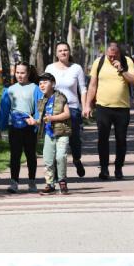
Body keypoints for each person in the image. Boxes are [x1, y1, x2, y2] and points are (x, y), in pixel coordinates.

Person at [83, 41, 134, 180]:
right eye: (109, 56)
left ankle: (118, 168)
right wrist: (87, 105)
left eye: (114, 56)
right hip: (103, 107)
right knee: (103, 139)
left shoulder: (127, 61)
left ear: (119, 53)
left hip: (122, 107)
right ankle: (104, 168)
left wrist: (122, 70)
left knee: (121, 140)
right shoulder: (99, 62)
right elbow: (92, 85)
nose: (112, 58)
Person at [0, 62, 42, 193]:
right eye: (17, 72)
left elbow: (39, 107)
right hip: (14, 127)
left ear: (28, 73)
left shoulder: (35, 88)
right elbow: (4, 110)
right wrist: (0, 126)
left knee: (30, 155)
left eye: (23, 73)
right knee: (15, 155)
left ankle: (32, 182)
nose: (19, 75)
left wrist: (37, 122)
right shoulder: (10, 90)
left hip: (30, 127)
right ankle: (14, 183)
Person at [45, 42, 89, 178]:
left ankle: (76, 159)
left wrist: (85, 106)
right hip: (56, 108)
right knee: (56, 138)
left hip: (73, 108)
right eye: (60, 50)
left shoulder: (76, 68)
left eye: (65, 50)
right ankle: (58, 168)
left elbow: (83, 89)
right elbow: (45, 87)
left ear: (69, 52)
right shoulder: (50, 68)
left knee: (74, 139)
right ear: (56, 53)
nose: (63, 52)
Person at [33, 72, 74, 195]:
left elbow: (67, 114)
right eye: (40, 83)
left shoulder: (61, 97)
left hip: (62, 132)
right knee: (48, 159)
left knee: (60, 157)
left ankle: (62, 181)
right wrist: (33, 121)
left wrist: (52, 118)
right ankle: (50, 184)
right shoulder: (41, 101)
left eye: (45, 82)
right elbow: (41, 119)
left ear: (53, 84)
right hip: (48, 134)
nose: (42, 85)